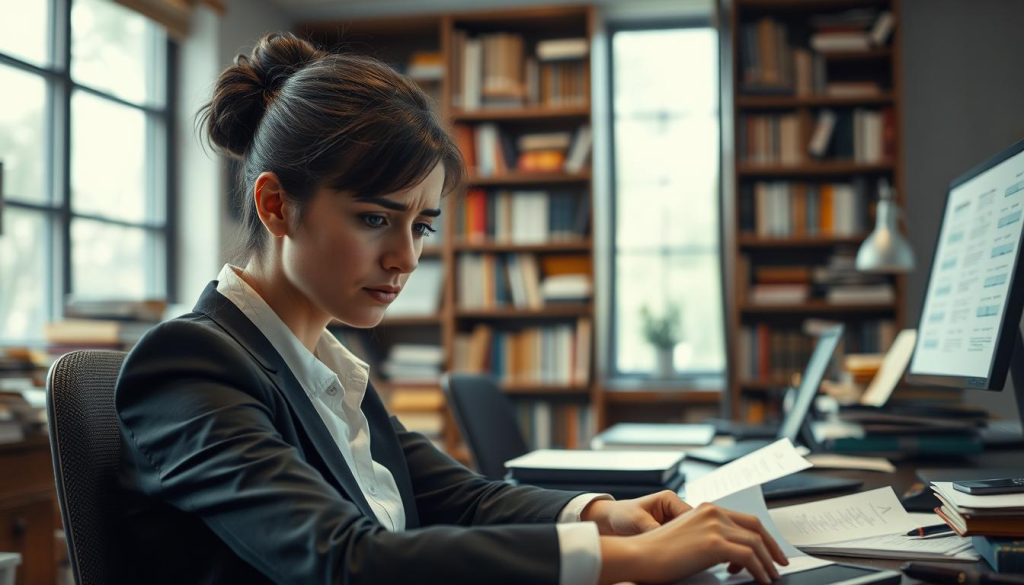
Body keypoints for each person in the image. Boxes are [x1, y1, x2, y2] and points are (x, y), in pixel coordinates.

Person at [114, 32, 788, 585]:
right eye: (376, 218)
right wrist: (631, 558)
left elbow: (463, 497)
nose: (406, 258)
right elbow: (342, 558)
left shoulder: (326, 368)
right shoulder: (191, 364)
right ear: (275, 204)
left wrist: (606, 515)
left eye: (422, 226)